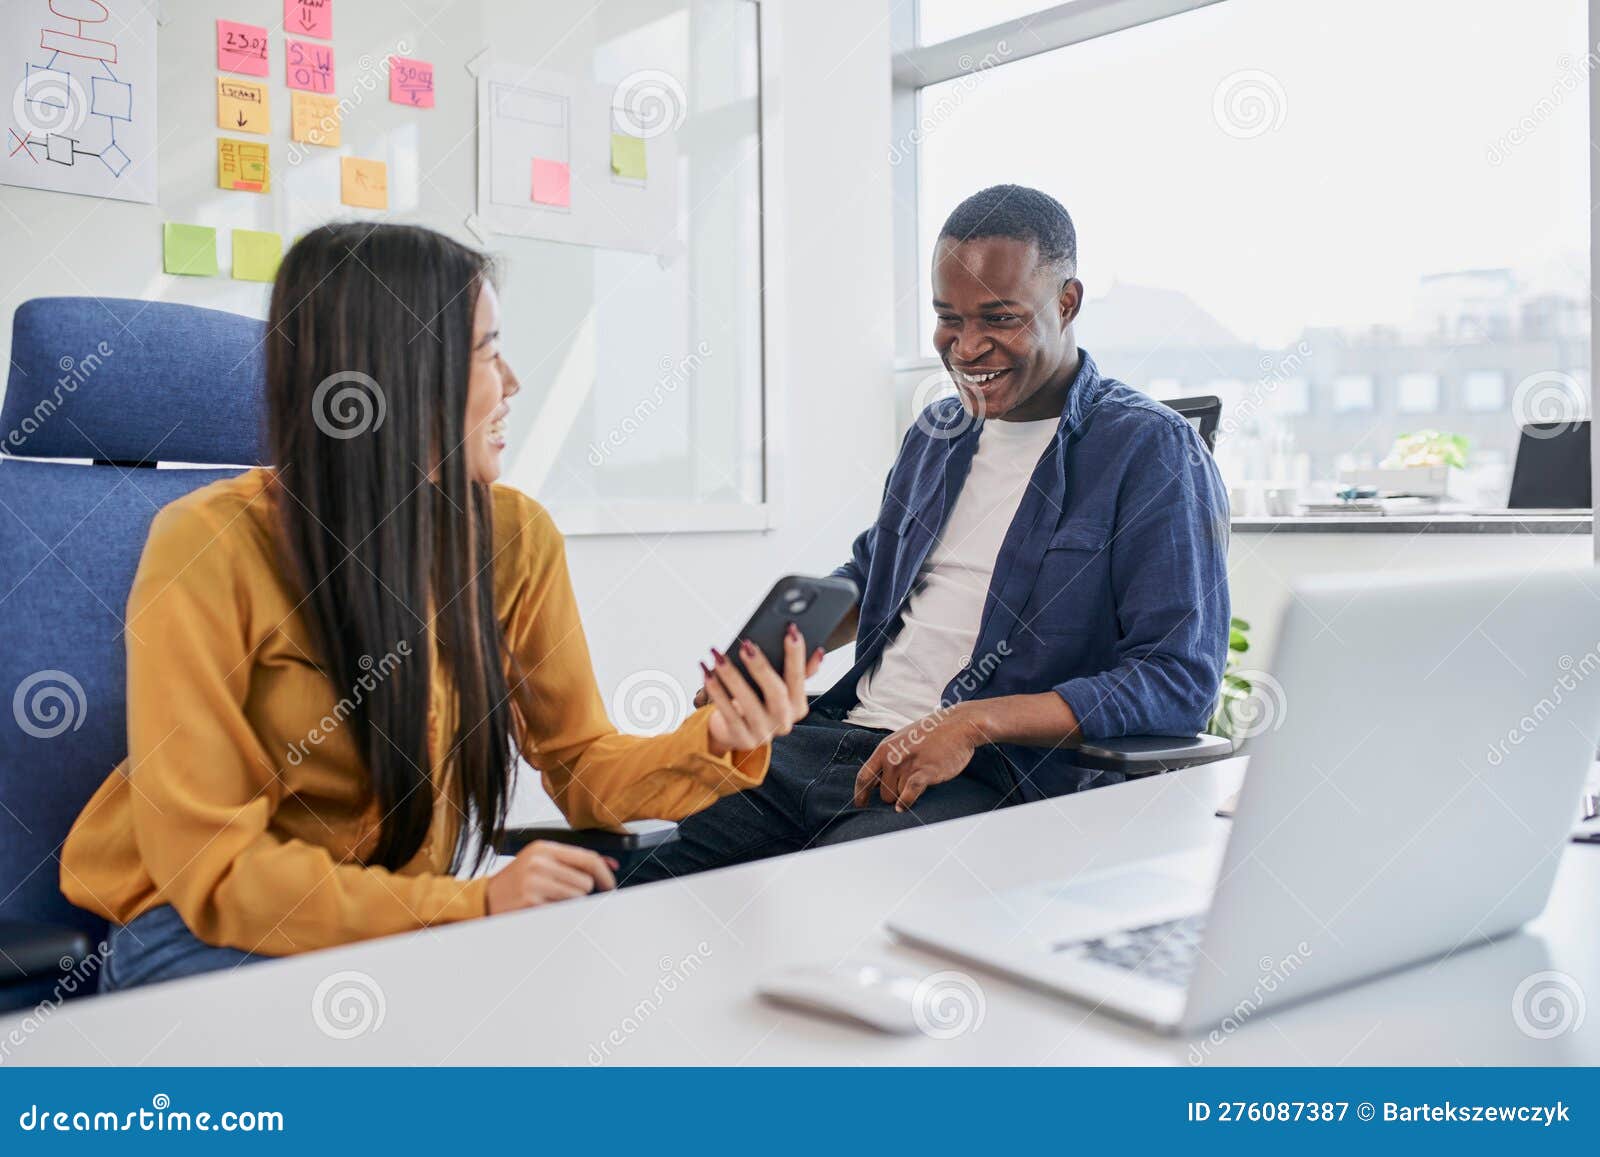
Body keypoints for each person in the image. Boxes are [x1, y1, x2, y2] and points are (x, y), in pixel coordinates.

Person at [59, 223, 820, 991]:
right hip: (203, 932)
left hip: (397, 923)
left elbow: (583, 765)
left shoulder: (514, 537)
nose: (514, 381)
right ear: (403, 373)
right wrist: (471, 904)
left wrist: (716, 735)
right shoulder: (206, 544)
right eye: (489, 351)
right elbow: (214, 870)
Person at [626, 184, 1230, 883]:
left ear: (1066, 303)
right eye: (949, 318)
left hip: (990, 775)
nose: (968, 347)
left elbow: (1176, 677)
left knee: (830, 898)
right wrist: (766, 658)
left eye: (999, 318)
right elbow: (868, 574)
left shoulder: (1149, 451)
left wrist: (973, 722)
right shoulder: (937, 433)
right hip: (835, 738)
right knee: (625, 847)